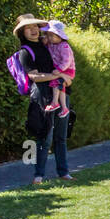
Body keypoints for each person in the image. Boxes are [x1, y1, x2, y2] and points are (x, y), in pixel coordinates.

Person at [12, 13, 73, 186]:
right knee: (44, 137)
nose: (33, 30)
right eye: (28, 28)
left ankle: (64, 173)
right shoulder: (25, 52)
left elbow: (66, 61)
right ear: (22, 33)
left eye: (35, 26)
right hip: (43, 96)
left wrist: (64, 77)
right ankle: (38, 176)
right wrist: (56, 75)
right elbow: (34, 76)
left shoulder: (50, 43)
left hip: (61, 92)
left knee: (61, 136)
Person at [40, 20, 75, 117]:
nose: (50, 38)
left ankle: (55, 102)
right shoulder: (52, 44)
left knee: (56, 82)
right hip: (60, 69)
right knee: (61, 87)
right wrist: (45, 38)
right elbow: (45, 41)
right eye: (48, 35)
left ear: (60, 36)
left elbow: (67, 61)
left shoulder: (64, 46)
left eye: (52, 36)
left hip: (67, 69)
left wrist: (59, 70)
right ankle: (64, 108)